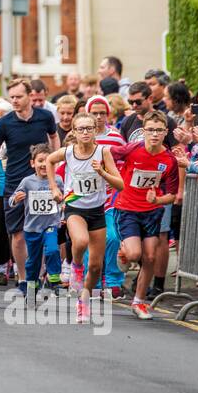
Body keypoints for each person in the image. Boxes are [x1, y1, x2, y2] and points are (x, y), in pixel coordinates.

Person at [47, 110, 125, 321]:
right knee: (80, 241)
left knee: (97, 266)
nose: (85, 133)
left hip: (97, 211)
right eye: (81, 129)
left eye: (89, 128)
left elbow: (120, 184)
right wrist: (54, 188)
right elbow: (48, 161)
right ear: (74, 131)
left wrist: (102, 173)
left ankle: (84, 301)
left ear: (95, 131)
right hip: (74, 207)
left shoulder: (103, 152)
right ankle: (76, 266)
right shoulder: (69, 152)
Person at [0, 78, 58, 291]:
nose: (15, 101)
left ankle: (38, 274)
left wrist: (54, 165)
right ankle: (24, 278)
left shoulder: (44, 117)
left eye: (19, 97)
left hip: (41, 183)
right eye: (12, 97)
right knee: (17, 235)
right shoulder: (5, 122)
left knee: (41, 231)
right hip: (15, 184)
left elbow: (54, 139)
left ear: (29, 96)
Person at [111, 111, 184, 319]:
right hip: (127, 208)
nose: (154, 135)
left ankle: (139, 302)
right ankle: (124, 250)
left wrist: (157, 200)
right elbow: (108, 154)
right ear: (143, 131)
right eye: (150, 130)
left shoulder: (169, 160)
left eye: (159, 130)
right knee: (135, 255)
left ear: (166, 132)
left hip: (151, 211)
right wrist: (114, 179)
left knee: (150, 257)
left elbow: (171, 195)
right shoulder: (132, 149)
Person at [9, 145, 64, 298]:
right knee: (33, 261)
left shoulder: (58, 180)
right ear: (33, 163)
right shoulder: (27, 182)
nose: (44, 164)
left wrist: (63, 205)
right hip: (32, 228)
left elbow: (64, 198)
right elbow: (12, 200)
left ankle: (54, 278)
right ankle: (32, 285)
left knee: (52, 249)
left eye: (48, 161)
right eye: (40, 161)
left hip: (51, 224)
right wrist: (16, 199)